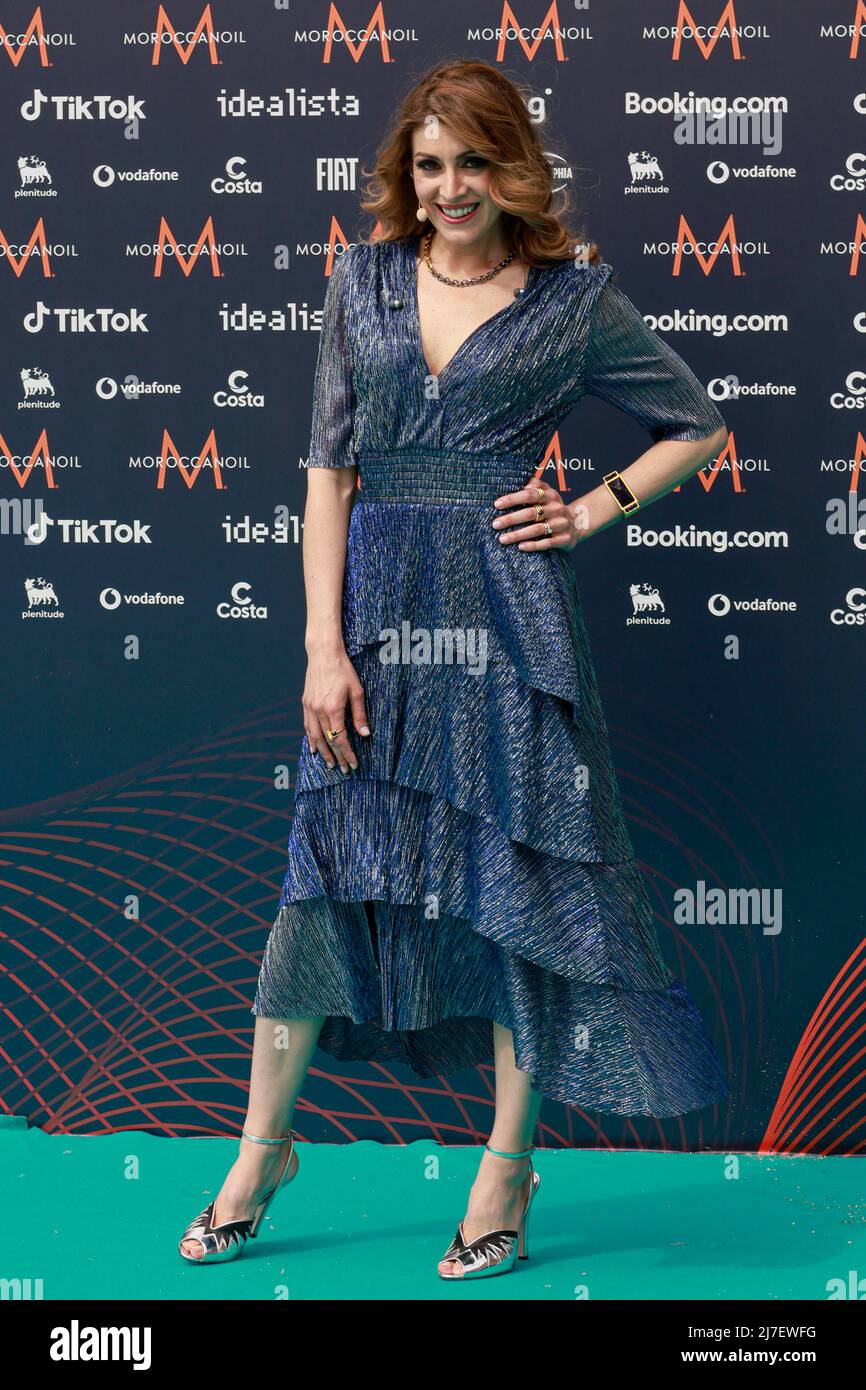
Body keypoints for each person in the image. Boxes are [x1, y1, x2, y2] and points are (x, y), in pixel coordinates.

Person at [178, 57, 730, 1281]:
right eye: (427, 167)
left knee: (517, 896)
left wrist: (588, 512)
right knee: (323, 880)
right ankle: (260, 1150)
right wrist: (322, 646)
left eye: (470, 162)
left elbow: (698, 423)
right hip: (373, 620)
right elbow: (327, 474)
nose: (446, 188)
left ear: (510, 166)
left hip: (506, 629)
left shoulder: (570, 303)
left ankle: (503, 1168)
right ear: (405, 177)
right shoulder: (360, 281)